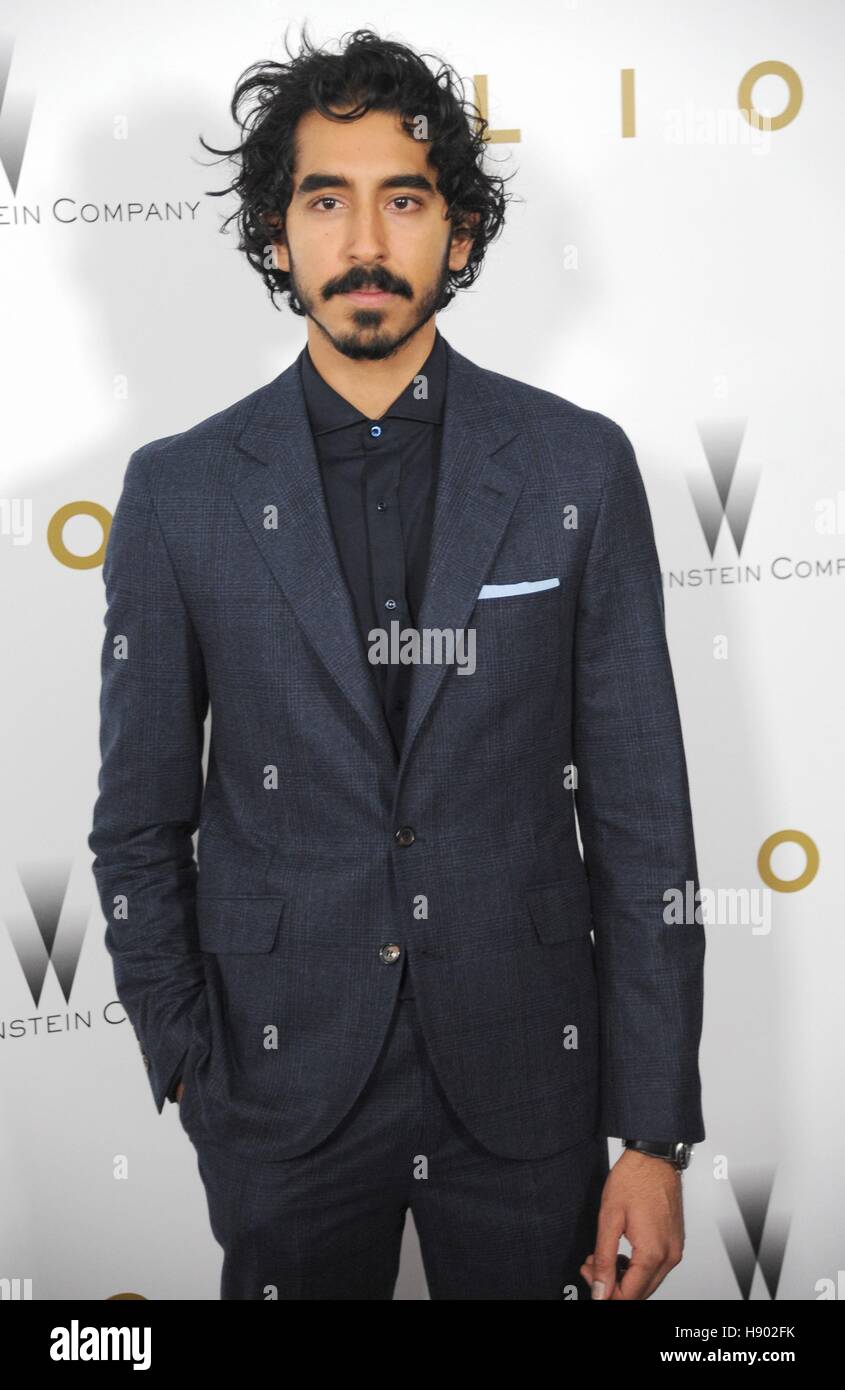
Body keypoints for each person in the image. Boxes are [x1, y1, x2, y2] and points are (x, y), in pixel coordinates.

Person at [89, 25, 705, 1301]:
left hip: (532, 1078)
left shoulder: (575, 468)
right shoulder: (178, 492)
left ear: (458, 234)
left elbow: (645, 820)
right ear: (277, 234)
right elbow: (138, 822)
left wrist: (649, 1134)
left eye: (404, 199)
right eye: (326, 200)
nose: (364, 242)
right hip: (279, 1087)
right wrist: (190, 1061)